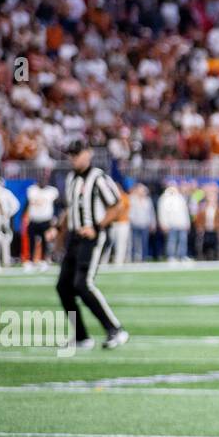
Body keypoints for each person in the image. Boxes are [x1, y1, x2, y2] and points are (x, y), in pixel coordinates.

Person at [58, 142, 128, 349]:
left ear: (87, 154)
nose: (73, 159)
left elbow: (118, 205)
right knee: (63, 287)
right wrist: (58, 228)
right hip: (74, 237)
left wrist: (97, 226)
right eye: (71, 155)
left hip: (92, 237)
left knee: (83, 284)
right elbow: (69, 210)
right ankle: (81, 336)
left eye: (77, 154)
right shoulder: (71, 178)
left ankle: (115, 329)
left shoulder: (98, 177)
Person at [24, 175, 59, 271]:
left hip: (46, 220)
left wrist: (54, 221)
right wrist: (26, 216)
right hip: (34, 219)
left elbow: (57, 205)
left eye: (44, 180)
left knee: (45, 241)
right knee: (31, 241)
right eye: (41, 180)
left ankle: (43, 261)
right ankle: (30, 260)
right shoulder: (32, 190)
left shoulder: (52, 191)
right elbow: (27, 204)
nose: (42, 182)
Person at [157, 180, 191, 264]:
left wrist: (187, 223)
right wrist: (163, 223)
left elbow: (185, 211)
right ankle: (171, 256)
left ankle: (182, 256)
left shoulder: (180, 197)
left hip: (182, 223)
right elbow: (162, 212)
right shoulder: (164, 198)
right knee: (172, 241)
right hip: (171, 224)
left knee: (183, 241)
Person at [127, 183, 154, 263]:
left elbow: (151, 213)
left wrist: (152, 223)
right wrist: (131, 221)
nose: (143, 192)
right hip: (134, 224)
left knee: (144, 242)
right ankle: (133, 258)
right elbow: (130, 212)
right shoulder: (132, 199)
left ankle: (143, 258)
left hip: (145, 224)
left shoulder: (148, 200)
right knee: (134, 242)